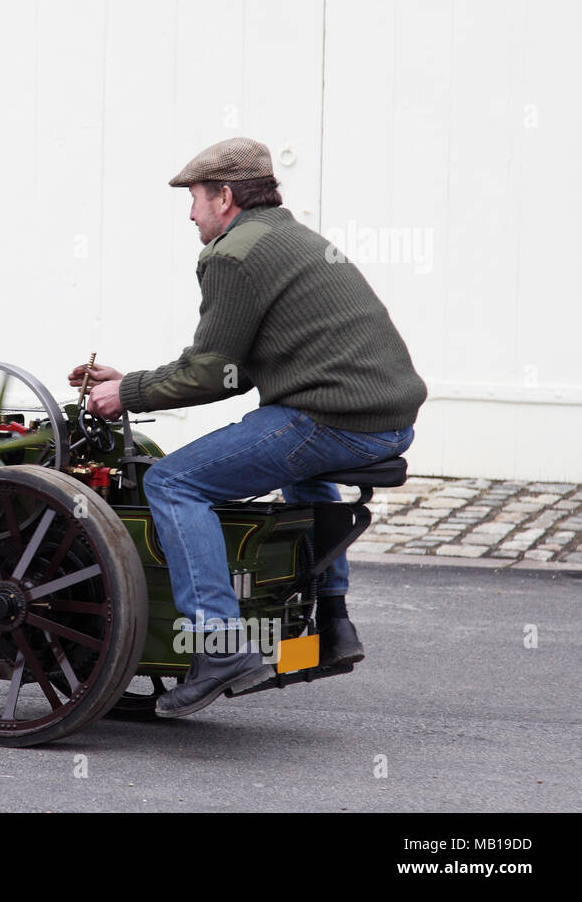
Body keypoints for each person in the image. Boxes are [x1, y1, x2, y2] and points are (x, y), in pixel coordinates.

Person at [72, 137, 426, 718]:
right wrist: (132, 379)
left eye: (194, 198)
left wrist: (125, 394)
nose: (190, 213)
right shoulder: (290, 238)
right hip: (386, 422)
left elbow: (215, 374)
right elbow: (229, 365)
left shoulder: (233, 254)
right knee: (305, 482)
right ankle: (334, 622)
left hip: (330, 422)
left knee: (172, 483)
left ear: (226, 197)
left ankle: (219, 645)